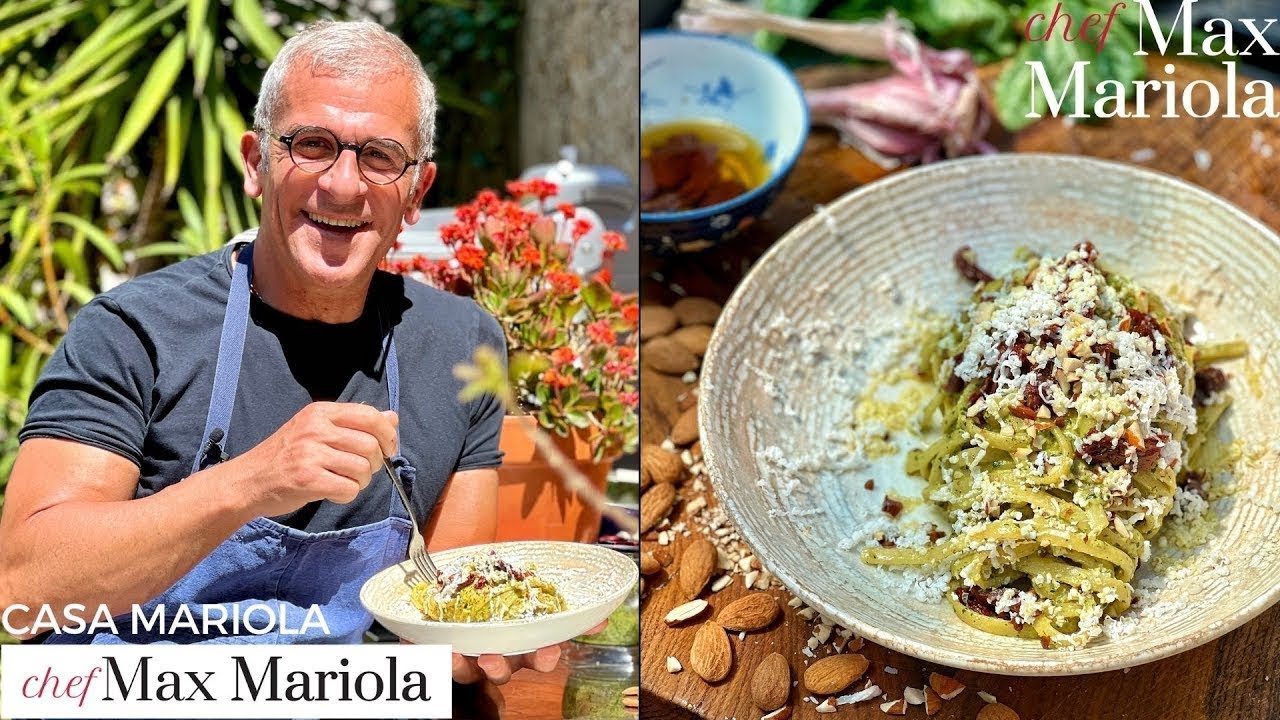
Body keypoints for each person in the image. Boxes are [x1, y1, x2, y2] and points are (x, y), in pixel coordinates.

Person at [0, 19, 560, 691]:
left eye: (381, 156)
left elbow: (442, 616)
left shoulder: (460, 344)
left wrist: (491, 637)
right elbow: (22, 588)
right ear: (255, 163)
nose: (344, 185)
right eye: (312, 145)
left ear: (417, 191)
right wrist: (250, 483)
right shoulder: (134, 331)